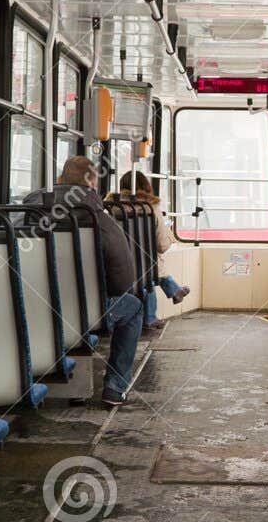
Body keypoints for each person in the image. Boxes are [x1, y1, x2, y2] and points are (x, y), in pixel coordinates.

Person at [26, 155, 143, 407]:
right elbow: (123, 280)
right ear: (92, 184)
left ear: (59, 180)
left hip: (29, 306)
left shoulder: (26, 214)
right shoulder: (102, 221)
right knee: (133, 306)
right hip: (84, 315)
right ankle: (114, 387)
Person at [119, 171, 192, 329]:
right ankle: (151, 316)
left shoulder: (113, 207)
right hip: (146, 264)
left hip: (119, 258)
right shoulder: (150, 207)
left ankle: (175, 291)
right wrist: (171, 236)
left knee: (147, 266)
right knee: (150, 271)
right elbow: (161, 245)